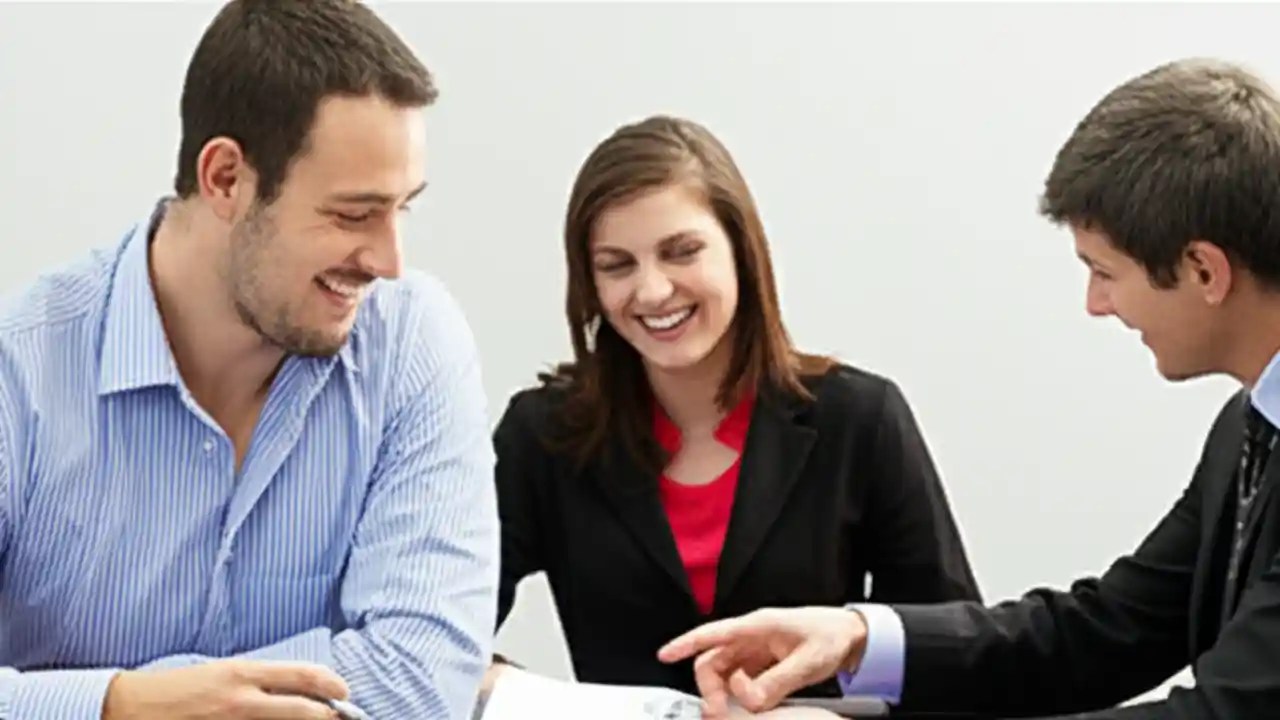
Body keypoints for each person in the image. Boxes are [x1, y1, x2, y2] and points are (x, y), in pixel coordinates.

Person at [656, 57, 1280, 720]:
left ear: (1203, 271)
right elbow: (1104, 630)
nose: (1096, 304)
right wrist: (857, 640)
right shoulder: (1245, 430)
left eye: (1103, 271)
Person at [0, 2, 498, 718]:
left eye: (403, 209)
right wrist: (119, 705)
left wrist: (143, 701)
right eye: (354, 214)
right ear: (226, 178)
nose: (390, 262)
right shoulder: (21, 372)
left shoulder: (412, 344)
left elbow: (424, 676)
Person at [480, 115, 982, 708]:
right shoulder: (543, 435)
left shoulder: (859, 418)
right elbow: (439, 628)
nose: (652, 291)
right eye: (617, 265)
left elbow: (951, 662)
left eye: (682, 252)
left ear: (741, 251)